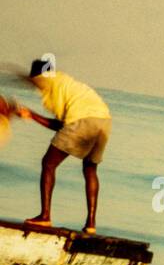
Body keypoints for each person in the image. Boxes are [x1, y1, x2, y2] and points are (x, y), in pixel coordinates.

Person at [11, 59, 113, 234]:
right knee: (90, 169)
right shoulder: (68, 84)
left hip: (83, 120)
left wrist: (29, 114)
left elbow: (63, 126)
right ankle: (90, 224)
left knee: (48, 164)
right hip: (104, 121)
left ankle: (45, 217)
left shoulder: (49, 83)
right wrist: (32, 115)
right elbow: (65, 125)